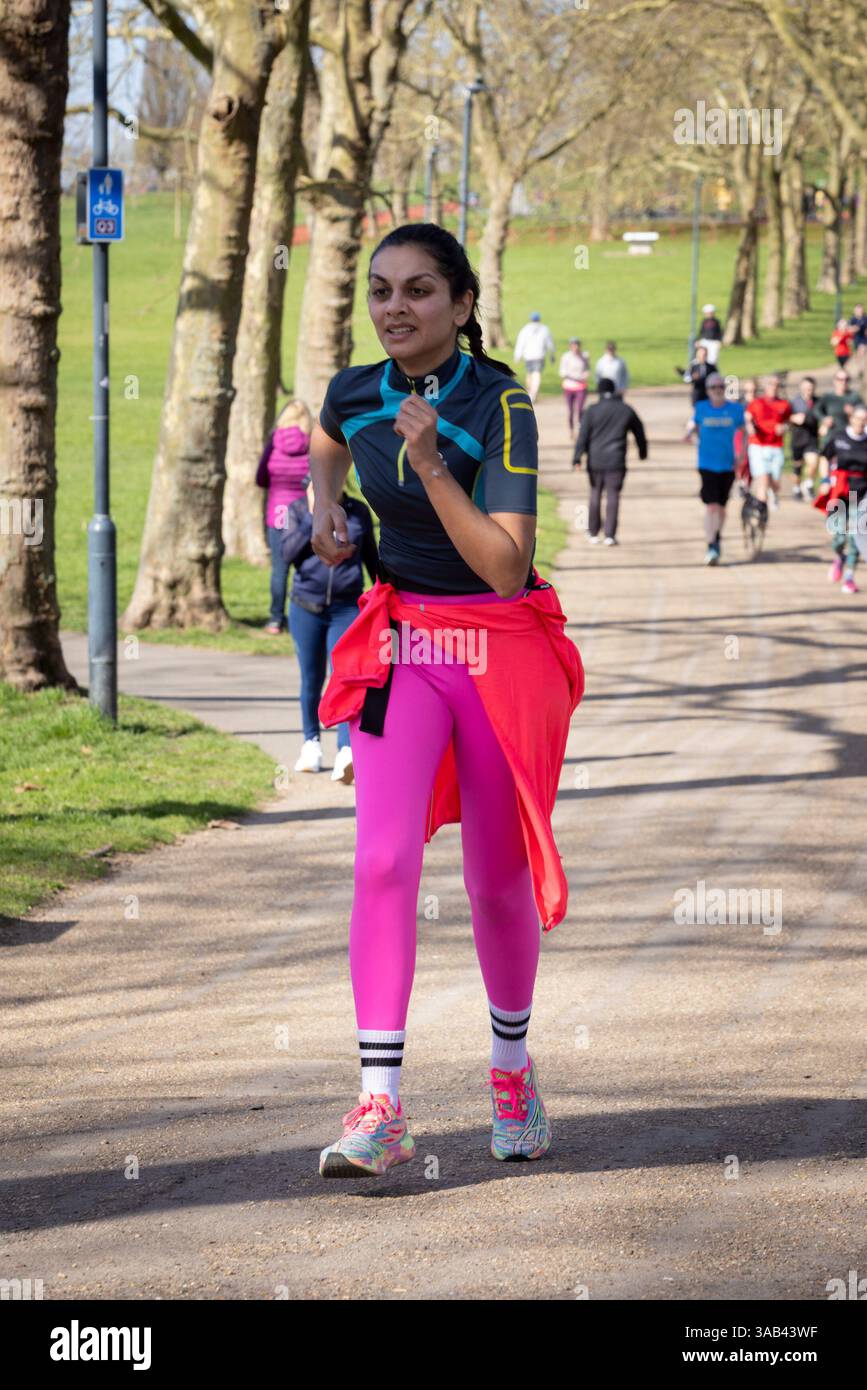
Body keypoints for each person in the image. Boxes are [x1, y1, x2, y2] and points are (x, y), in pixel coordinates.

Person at [308, 222, 584, 1178]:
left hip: (499, 651)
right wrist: (326, 506)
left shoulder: (500, 403)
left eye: (419, 290)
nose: (395, 308)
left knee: (492, 879)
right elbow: (328, 435)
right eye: (381, 290)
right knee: (382, 860)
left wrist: (428, 465)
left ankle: (510, 1073)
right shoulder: (356, 389)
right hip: (405, 644)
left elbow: (506, 567)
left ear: (462, 305)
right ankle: (381, 1105)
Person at [281, 481, 378, 781]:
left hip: (346, 608)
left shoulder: (357, 511)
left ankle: (346, 749)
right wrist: (314, 514)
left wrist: (383, 596)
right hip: (305, 607)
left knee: (344, 677)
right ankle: (311, 743)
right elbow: (286, 554)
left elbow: (371, 558)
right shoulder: (297, 510)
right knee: (311, 679)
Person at [255, 399, 312, 634]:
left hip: (278, 515)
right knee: (306, 568)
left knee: (279, 570)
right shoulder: (311, 444)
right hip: (304, 515)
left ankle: (275, 619)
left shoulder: (274, 444)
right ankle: (306, 616)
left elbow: (260, 478)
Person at [572, 377, 647, 544]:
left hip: (595, 459)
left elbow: (583, 436)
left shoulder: (591, 410)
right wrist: (642, 452)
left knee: (595, 493)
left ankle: (593, 532)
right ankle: (610, 535)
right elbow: (639, 430)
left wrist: (577, 458)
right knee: (613, 495)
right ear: (613, 391)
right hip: (616, 460)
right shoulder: (625, 409)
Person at [684, 372, 745, 565]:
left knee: (722, 507)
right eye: (713, 387)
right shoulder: (701, 408)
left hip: (728, 464)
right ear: (708, 390)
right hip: (707, 464)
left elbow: (744, 433)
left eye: (721, 387)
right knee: (711, 506)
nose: (717, 390)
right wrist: (689, 434)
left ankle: (716, 535)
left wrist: (741, 456)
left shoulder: (735, 410)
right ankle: (712, 545)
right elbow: (694, 425)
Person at [819, 402, 867, 595]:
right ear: (851, 419)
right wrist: (824, 479)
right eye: (858, 419)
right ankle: (840, 556)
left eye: (864, 420)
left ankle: (849, 577)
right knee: (839, 536)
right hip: (841, 489)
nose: (860, 423)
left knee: (857, 534)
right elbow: (825, 458)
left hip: (862, 492)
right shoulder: (838, 437)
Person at [745, 373, 792, 513]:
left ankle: (773, 493)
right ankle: (761, 511)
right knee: (764, 477)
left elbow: (788, 422)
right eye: (771, 384)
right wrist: (750, 427)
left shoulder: (784, 404)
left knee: (775, 482)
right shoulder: (756, 403)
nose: (774, 387)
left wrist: (784, 427)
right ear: (765, 386)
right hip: (758, 445)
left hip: (775, 446)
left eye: (777, 385)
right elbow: (747, 418)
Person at [816, 370, 864, 467]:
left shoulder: (854, 397)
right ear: (834, 381)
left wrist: (854, 412)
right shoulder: (828, 397)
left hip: (848, 438)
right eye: (840, 379)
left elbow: (863, 413)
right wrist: (824, 419)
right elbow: (816, 409)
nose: (843, 382)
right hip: (831, 436)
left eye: (846, 379)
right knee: (826, 460)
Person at [788, 376, 821, 500]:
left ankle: (809, 484)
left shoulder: (818, 402)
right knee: (798, 468)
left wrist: (824, 425)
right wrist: (793, 418)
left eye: (810, 388)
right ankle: (797, 488)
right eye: (806, 388)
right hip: (797, 439)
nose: (808, 391)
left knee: (813, 462)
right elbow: (786, 417)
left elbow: (824, 415)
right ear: (801, 388)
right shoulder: (794, 402)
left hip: (812, 438)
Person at [512, 310, 555, 403]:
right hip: (539, 355)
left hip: (528, 356)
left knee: (530, 374)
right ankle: (533, 394)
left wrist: (517, 356)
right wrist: (552, 355)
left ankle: (530, 393)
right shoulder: (544, 329)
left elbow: (520, 343)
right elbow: (550, 344)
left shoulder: (525, 329)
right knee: (536, 374)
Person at [558, 336, 591, 436]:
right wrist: (576, 377)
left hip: (581, 386)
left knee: (580, 409)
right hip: (569, 386)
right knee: (571, 410)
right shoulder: (566, 357)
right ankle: (571, 429)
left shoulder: (584, 356)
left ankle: (581, 428)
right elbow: (562, 372)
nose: (575, 347)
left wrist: (585, 375)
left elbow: (587, 369)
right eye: (573, 345)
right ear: (570, 346)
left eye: (577, 345)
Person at [849, 303, 867, 378]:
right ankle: (860, 369)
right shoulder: (853, 319)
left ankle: (862, 369)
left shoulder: (865, 319)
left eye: (860, 310)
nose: (859, 312)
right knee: (858, 355)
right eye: (857, 310)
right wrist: (855, 328)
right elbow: (850, 329)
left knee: (862, 351)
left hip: (864, 339)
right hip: (856, 339)